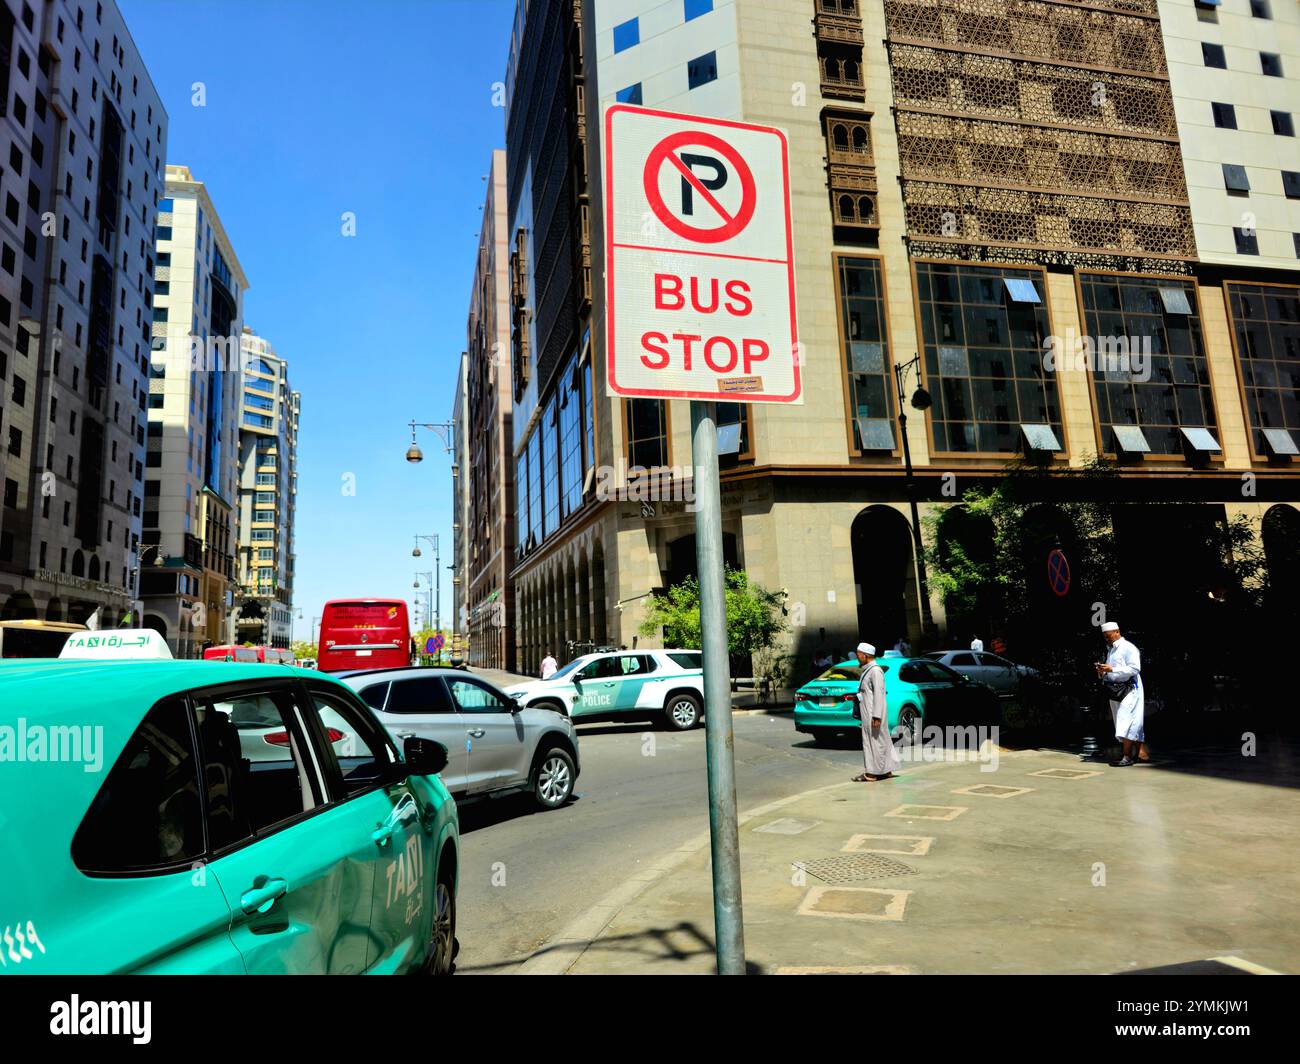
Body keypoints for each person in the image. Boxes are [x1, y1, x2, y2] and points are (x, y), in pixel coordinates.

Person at [1096, 621, 1148, 766]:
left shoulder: (1128, 648)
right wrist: (1103, 672)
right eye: (1105, 636)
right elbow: (1111, 670)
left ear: (1117, 632)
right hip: (1115, 690)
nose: (1107, 638)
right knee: (1125, 721)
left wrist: (1112, 669)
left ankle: (1127, 756)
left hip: (1130, 689)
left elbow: (1135, 668)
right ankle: (1138, 753)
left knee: (1126, 721)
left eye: (1108, 635)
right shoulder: (1111, 650)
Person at [852, 642, 899, 783]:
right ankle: (885, 770)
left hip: (873, 713)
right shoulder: (868, 670)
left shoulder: (875, 671)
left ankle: (871, 773)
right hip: (869, 711)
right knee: (880, 741)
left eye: (859, 654)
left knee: (872, 742)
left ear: (865, 655)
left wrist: (877, 716)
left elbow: (879, 694)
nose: (857, 657)